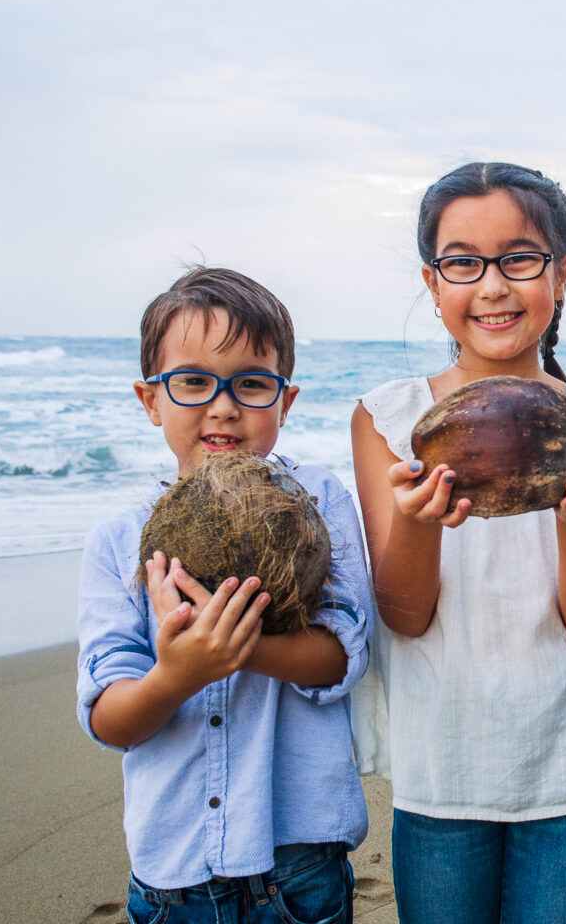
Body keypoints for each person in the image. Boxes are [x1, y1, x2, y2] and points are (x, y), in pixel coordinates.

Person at [349, 162, 566, 924]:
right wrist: (419, 523)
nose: (492, 286)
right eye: (463, 263)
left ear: (563, 271)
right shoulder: (391, 420)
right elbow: (405, 615)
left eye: (520, 259)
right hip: (444, 749)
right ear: (433, 280)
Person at [76, 266, 372, 924]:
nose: (223, 404)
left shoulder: (319, 500)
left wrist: (241, 652)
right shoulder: (119, 543)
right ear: (149, 399)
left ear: (285, 401)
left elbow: (342, 655)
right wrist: (178, 676)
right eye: (192, 382)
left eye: (251, 383)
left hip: (300, 865)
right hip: (172, 878)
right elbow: (108, 715)